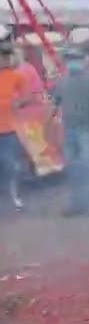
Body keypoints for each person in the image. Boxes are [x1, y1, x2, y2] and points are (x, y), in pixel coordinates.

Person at [52, 49, 89, 215]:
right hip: (71, 129)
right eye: (70, 59)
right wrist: (51, 122)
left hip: (87, 128)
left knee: (87, 166)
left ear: (82, 61)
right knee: (74, 168)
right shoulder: (62, 82)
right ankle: (77, 203)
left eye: (75, 59)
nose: (72, 62)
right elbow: (54, 104)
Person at [0, 44, 29, 212]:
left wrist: (17, 103)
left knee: (10, 165)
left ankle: (13, 196)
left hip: (8, 130)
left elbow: (27, 96)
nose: (3, 59)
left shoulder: (16, 77)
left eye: (5, 56)